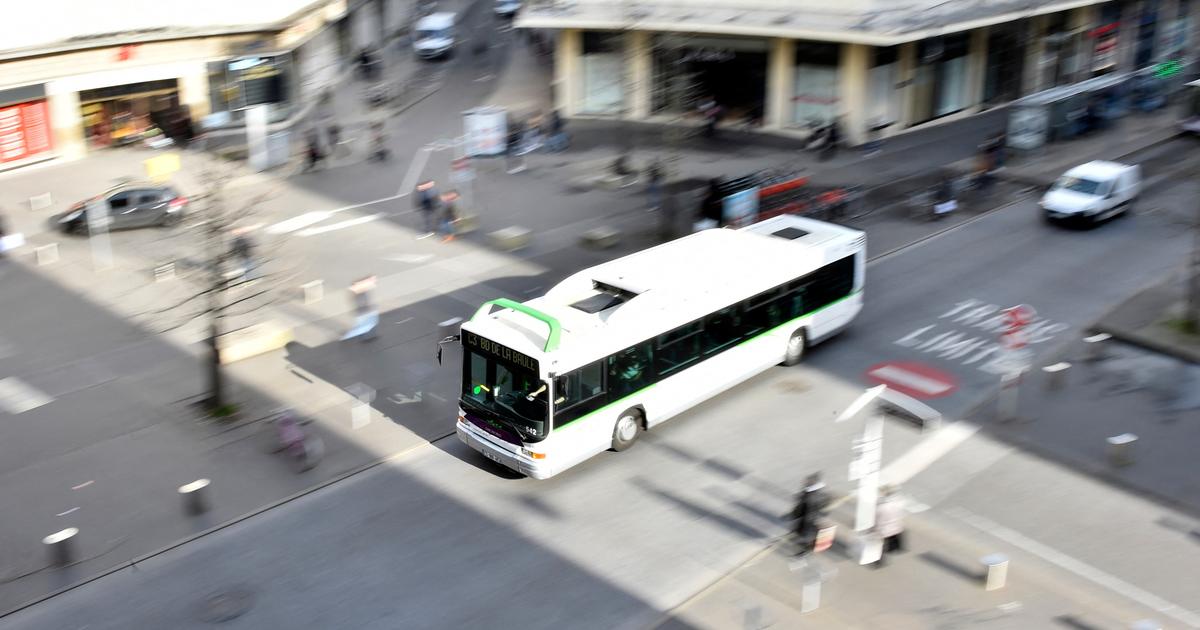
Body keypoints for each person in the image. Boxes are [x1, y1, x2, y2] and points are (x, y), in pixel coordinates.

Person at [788, 473, 831, 557]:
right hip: (810, 519)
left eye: (809, 481)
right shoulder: (815, 493)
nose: (806, 482)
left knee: (806, 536)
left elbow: (803, 507)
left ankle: (804, 552)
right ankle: (804, 549)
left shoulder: (810, 495)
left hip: (808, 520)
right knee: (806, 535)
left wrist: (795, 514)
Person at [873, 485, 906, 568]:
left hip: (885, 530)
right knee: (894, 538)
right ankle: (896, 548)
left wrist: (875, 529)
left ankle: (879, 561)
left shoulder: (881, 507)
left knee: (881, 545)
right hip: (896, 526)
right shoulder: (899, 502)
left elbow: (878, 520)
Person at [342, 276, 379, 341]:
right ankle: (360, 337)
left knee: (368, 324)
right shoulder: (359, 292)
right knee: (364, 325)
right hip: (363, 312)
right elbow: (361, 302)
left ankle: (368, 336)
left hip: (365, 311)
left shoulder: (362, 291)